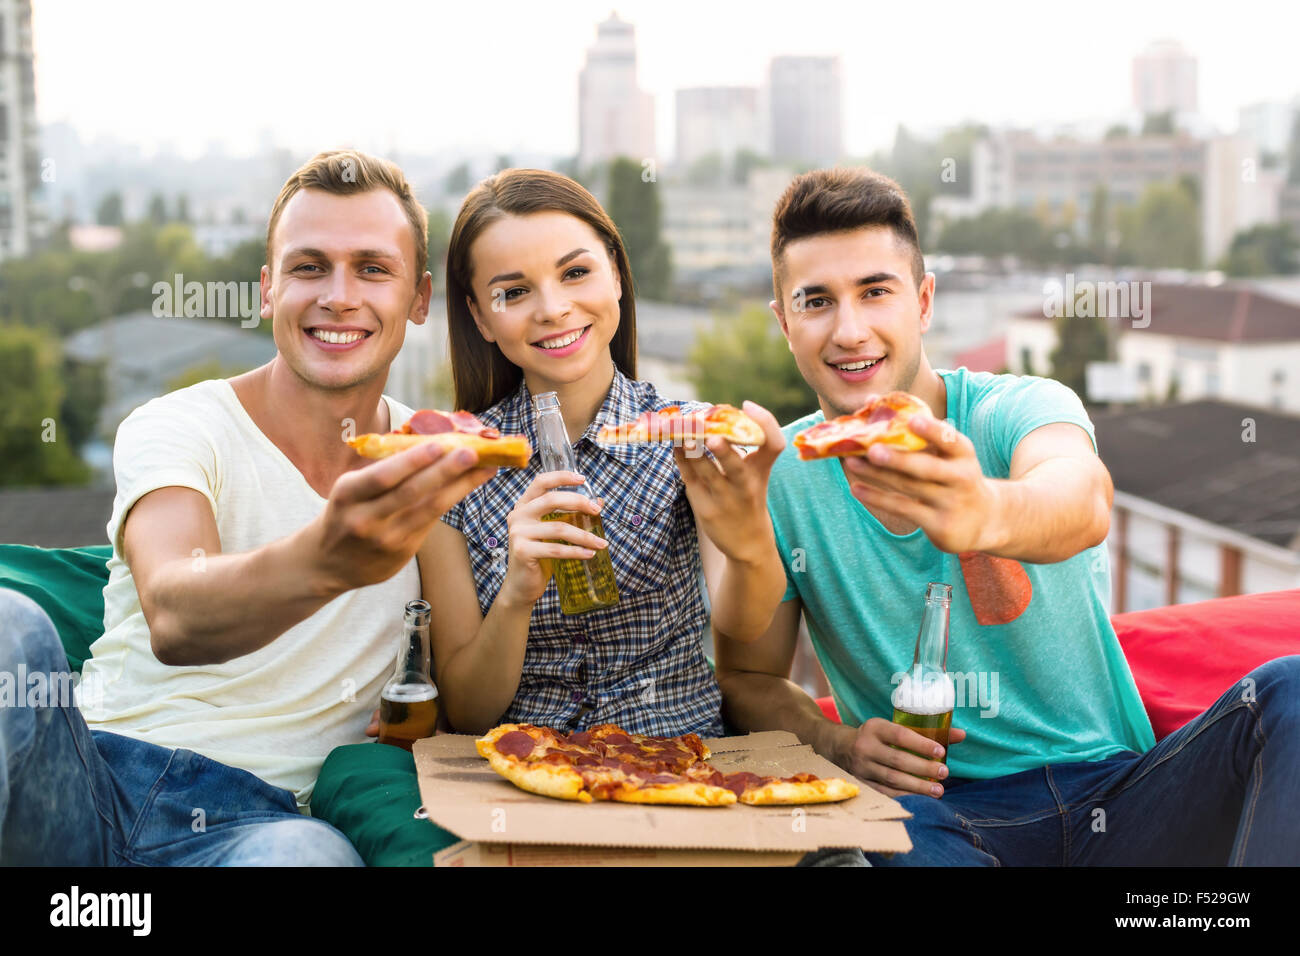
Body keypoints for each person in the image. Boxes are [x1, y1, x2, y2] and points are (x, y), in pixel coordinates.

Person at [716, 165, 1300, 865]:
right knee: (885, 834)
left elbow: (1081, 500)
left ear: (924, 302)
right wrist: (838, 742)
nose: (850, 330)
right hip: (942, 818)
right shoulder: (784, 477)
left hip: (1120, 795)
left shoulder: (1015, 408)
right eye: (817, 302)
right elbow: (749, 677)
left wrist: (980, 509)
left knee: (1290, 691)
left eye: (876, 292)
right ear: (784, 323)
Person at [0, 150, 496, 866]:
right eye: (308, 267)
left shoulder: (438, 467)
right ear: (268, 289)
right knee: (11, 624)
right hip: (89, 782)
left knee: (310, 859)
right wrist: (327, 559)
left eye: (372, 268)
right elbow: (174, 611)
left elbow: (462, 689)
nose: (338, 295)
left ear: (419, 299)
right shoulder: (179, 424)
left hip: (261, 826)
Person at [415, 167, 787, 738]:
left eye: (575, 273)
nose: (553, 308)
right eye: (513, 292)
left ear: (615, 274)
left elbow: (746, 622)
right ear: (481, 317)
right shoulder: (453, 467)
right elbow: (467, 711)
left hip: (679, 767)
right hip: (525, 773)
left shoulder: (686, 435)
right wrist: (517, 593)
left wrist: (749, 543)